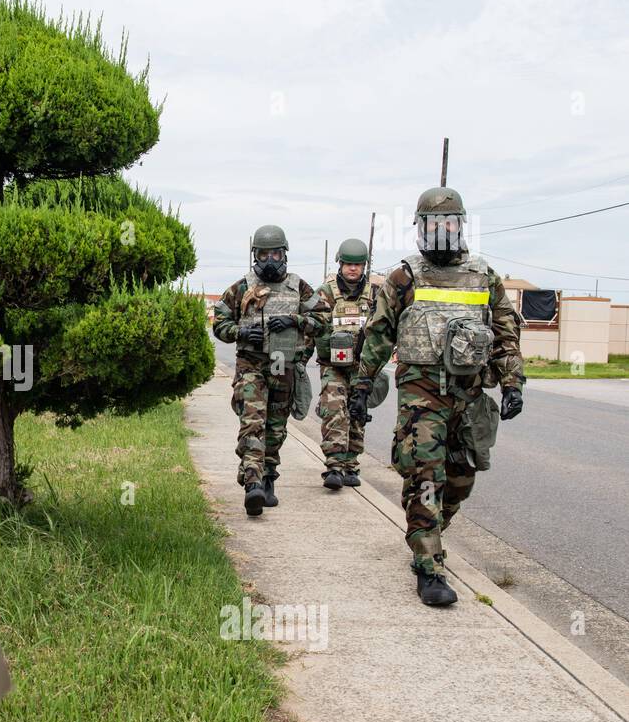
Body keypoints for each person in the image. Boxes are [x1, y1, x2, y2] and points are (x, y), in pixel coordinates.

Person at [348, 188, 525, 606]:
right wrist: (360, 387)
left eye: (448, 223)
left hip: (469, 395)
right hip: (422, 396)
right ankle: (429, 566)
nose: (441, 231)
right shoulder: (404, 277)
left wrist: (513, 383)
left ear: (460, 225)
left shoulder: (484, 276)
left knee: (461, 479)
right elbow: (377, 335)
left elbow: (505, 334)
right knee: (426, 475)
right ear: (420, 229)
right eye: (432, 224)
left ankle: (425, 533)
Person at [212, 225, 329, 516]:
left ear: (284, 253)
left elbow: (323, 319)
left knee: (275, 428)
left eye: (275, 253)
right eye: (263, 254)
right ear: (255, 256)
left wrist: (295, 321)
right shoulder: (241, 287)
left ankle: (268, 478)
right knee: (252, 422)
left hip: (284, 366)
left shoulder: (298, 287)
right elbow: (219, 325)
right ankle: (252, 484)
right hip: (252, 366)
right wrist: (241, 331)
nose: (269, 260)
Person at [311, 238, 379, 490]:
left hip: (362, 366)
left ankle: (351, 464)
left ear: (364, 266)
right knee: (334, 410)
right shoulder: (325, 292)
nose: (353, 269)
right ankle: (334, 466)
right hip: (333, 364)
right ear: (340, 264)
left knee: (357, 412)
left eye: (358, 264)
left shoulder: (374, 295)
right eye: (348, 264)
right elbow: (314, 325)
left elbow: (383, 329)